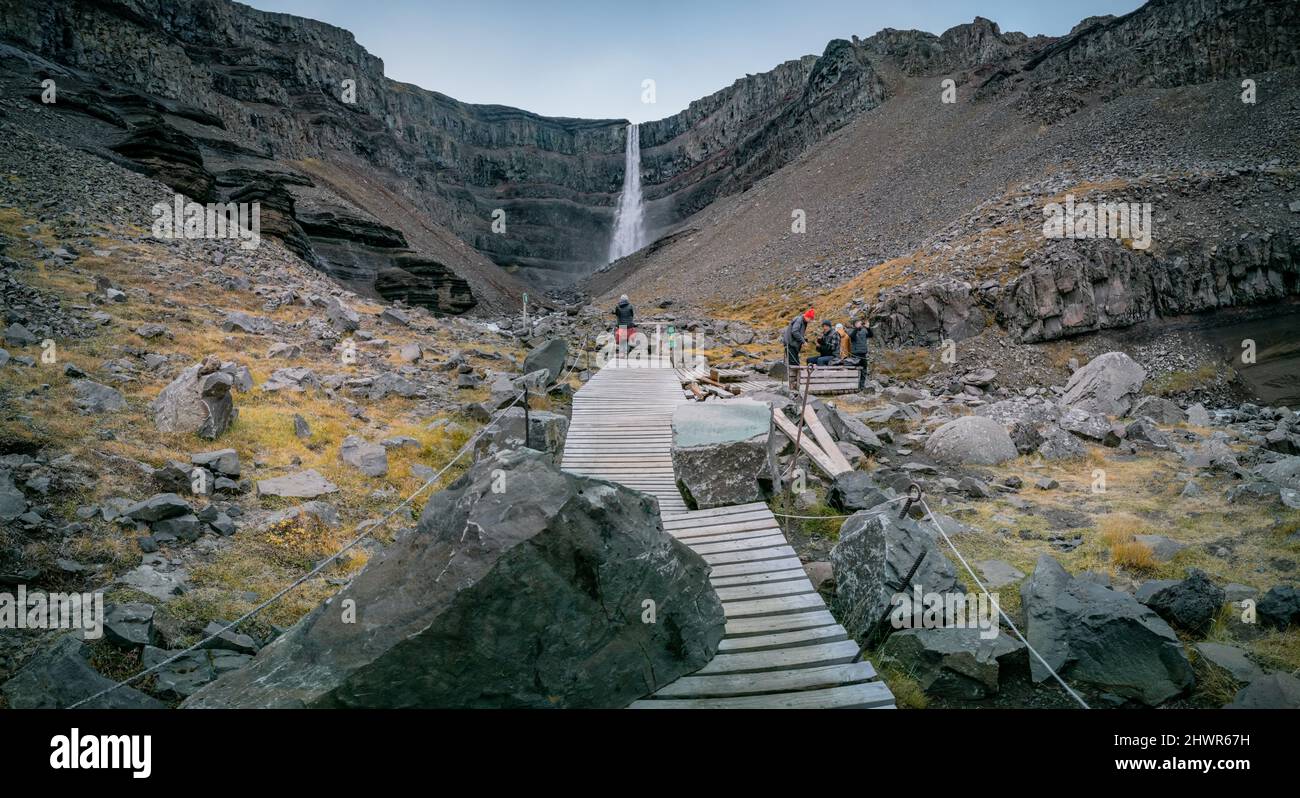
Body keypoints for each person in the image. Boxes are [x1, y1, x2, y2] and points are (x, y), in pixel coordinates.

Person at [782, 308, 815, 388]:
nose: (811, 321)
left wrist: (802, 340)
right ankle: (793, 385)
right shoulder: (799, 320)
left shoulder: (803, 321)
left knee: (795, 364)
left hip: (793, 345)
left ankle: (794, 384)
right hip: (790, 344)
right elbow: (794, 331)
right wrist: (803, 341)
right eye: (811, 319)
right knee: (794, 365)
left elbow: (798, 333)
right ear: (807, 316)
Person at [848, 318, 873, 389]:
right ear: (855, 324)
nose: (861, 324)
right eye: (859, 323)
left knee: (864, 370)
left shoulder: (864, 331)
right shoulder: (851, 331)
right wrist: (856, 328)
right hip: (855, 354)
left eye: (861, 323)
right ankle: (854, 386)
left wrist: (868, 328)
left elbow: (871, 335)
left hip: (863, 354)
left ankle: (862, 386)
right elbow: (851, 336)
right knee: (855, 370)